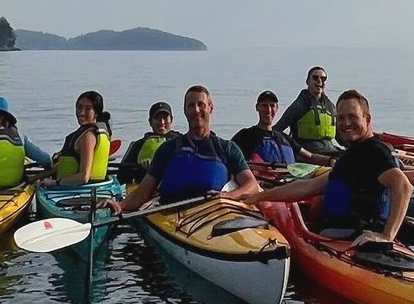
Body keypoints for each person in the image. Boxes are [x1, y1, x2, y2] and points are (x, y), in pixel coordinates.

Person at [259, 89, 410, 245]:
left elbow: (403, 186)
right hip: (344, 233)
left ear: (367, 119)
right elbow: (307, 187)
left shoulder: (374, 151)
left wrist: (387, 236)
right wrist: (260, 196)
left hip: (354, 237)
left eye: (352, 116)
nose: (346, 123)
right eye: (341, 118)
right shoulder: (353, 155)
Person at [122, 85, 259, 213]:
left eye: (201, 105)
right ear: (185, 111)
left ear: (211, 108)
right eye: (191, 106)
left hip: (214, 214)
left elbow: (251, 185)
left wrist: (229, 196)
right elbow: (143, 193)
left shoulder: (227, 148)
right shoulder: (168, 150)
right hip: (172, 216)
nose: (196, 110)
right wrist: (119, 205)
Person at [276, 65, 340, 157]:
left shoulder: (331, 107)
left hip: (331, 150)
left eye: (323, 78)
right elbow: (278, 129)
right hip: (308, 154)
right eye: (315, 78)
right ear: (308, 81)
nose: (319, 81)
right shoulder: (299, 105)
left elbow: (340, 135)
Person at [52, 89, 113, 184]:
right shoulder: (100, 130)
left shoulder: (88, 136)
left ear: (96, 113)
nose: (81, 113)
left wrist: (55, 182)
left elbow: (84, 177)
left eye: (88, 109)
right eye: (79, 107)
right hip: (98, 186)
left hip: (75, 189)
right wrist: (37, 177)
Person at [116, 100, 176, 184]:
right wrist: (140, 168)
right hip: (146, 187)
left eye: (165, 118)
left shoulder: (182, 141)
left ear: (171, 120)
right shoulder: (139, 145)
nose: (162, 122)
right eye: (157, 118)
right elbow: (121, 177)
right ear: (150, 122)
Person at [233, 90, 293, 168]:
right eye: (264, 105)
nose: (268, 110)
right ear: (257, 107)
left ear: (277, 108)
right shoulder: (245, 135)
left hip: (287, 174)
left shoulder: (284, 138)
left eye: (272, 105)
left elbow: (307, 155)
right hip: (259, 175)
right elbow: (226, 153)